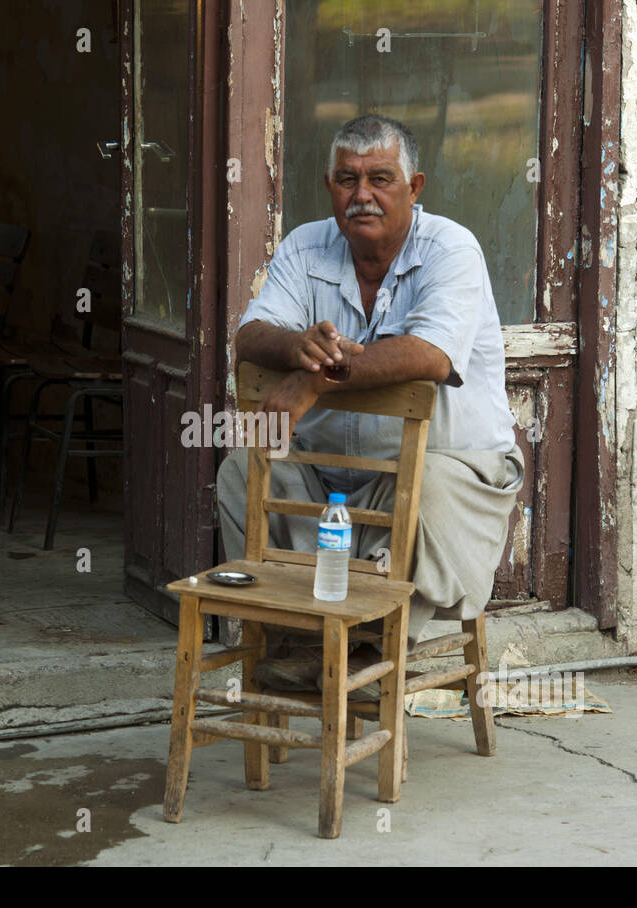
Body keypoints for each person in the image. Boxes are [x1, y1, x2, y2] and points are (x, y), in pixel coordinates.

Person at [217, 113, 525, 698]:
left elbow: (431, 356)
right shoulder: (305, 244)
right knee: (241, 471)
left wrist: (316, 381)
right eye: (346, 180)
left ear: (415, 188)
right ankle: (300, 642)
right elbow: (250, 336)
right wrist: (297, 345)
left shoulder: (451, 249)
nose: (362, 196)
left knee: (424, 484)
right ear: (329, 185)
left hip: (454, 470)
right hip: (331, 478)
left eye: (381, 178)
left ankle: (372, 648)